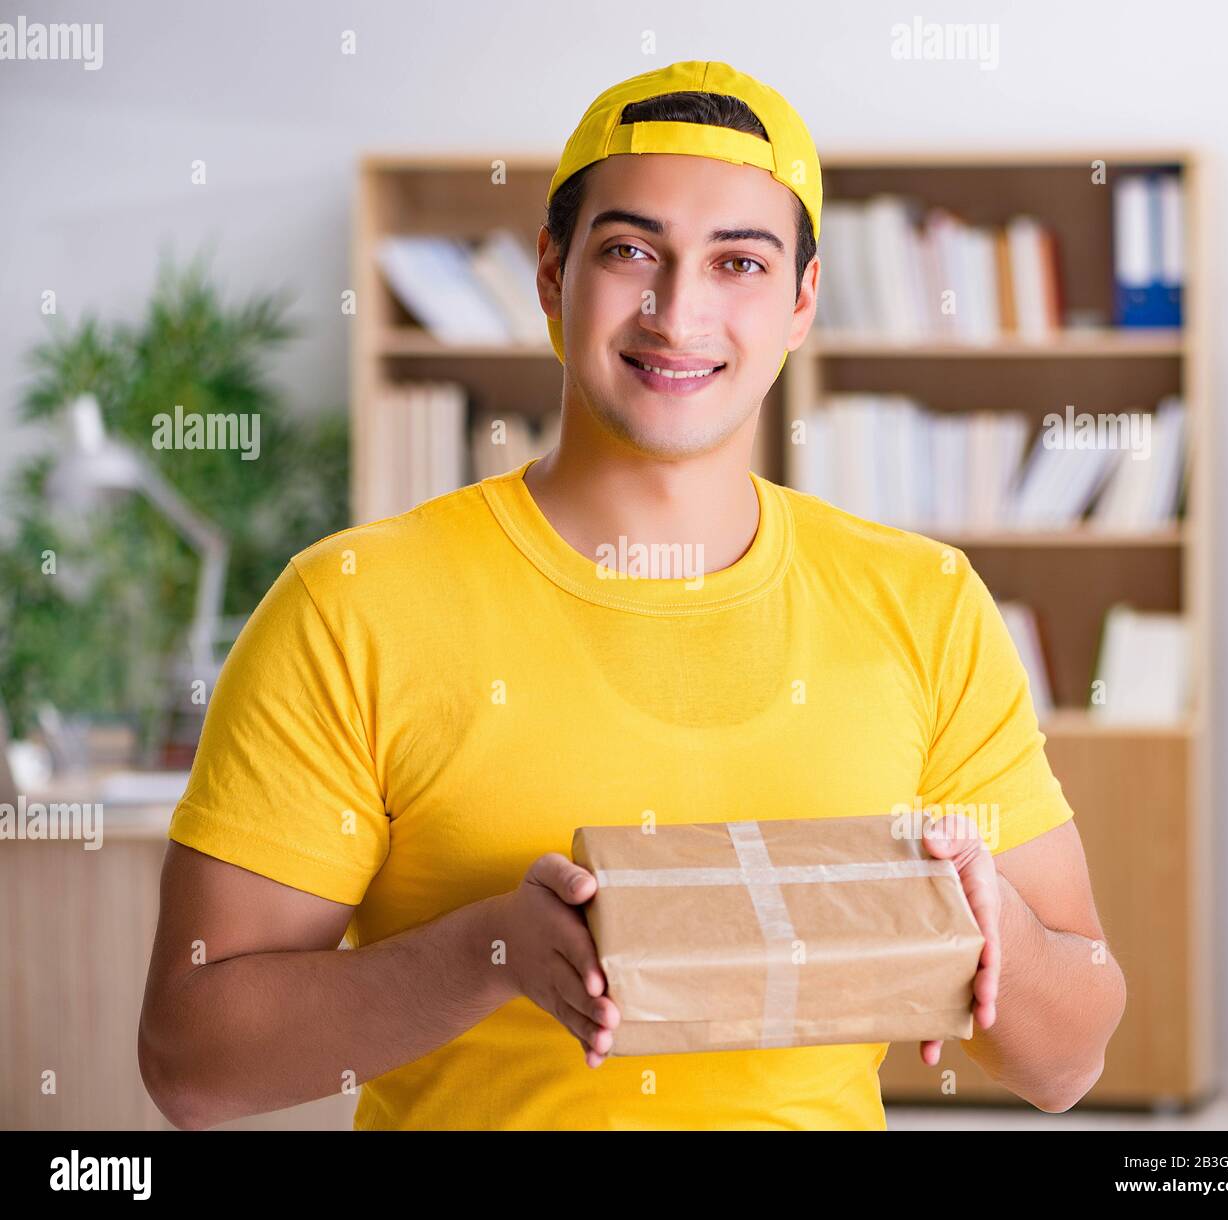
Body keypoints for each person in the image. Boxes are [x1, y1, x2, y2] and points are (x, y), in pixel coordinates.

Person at [138, 60, 1125, 1131]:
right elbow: (193, 1062)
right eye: (629, 250)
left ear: (800, 302)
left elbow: (1066, 1062)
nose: (676, 309)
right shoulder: (353, 606)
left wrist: (1000, 938)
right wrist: (488, 951)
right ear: (553, 276)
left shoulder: (922, 603)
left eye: (737, 262)